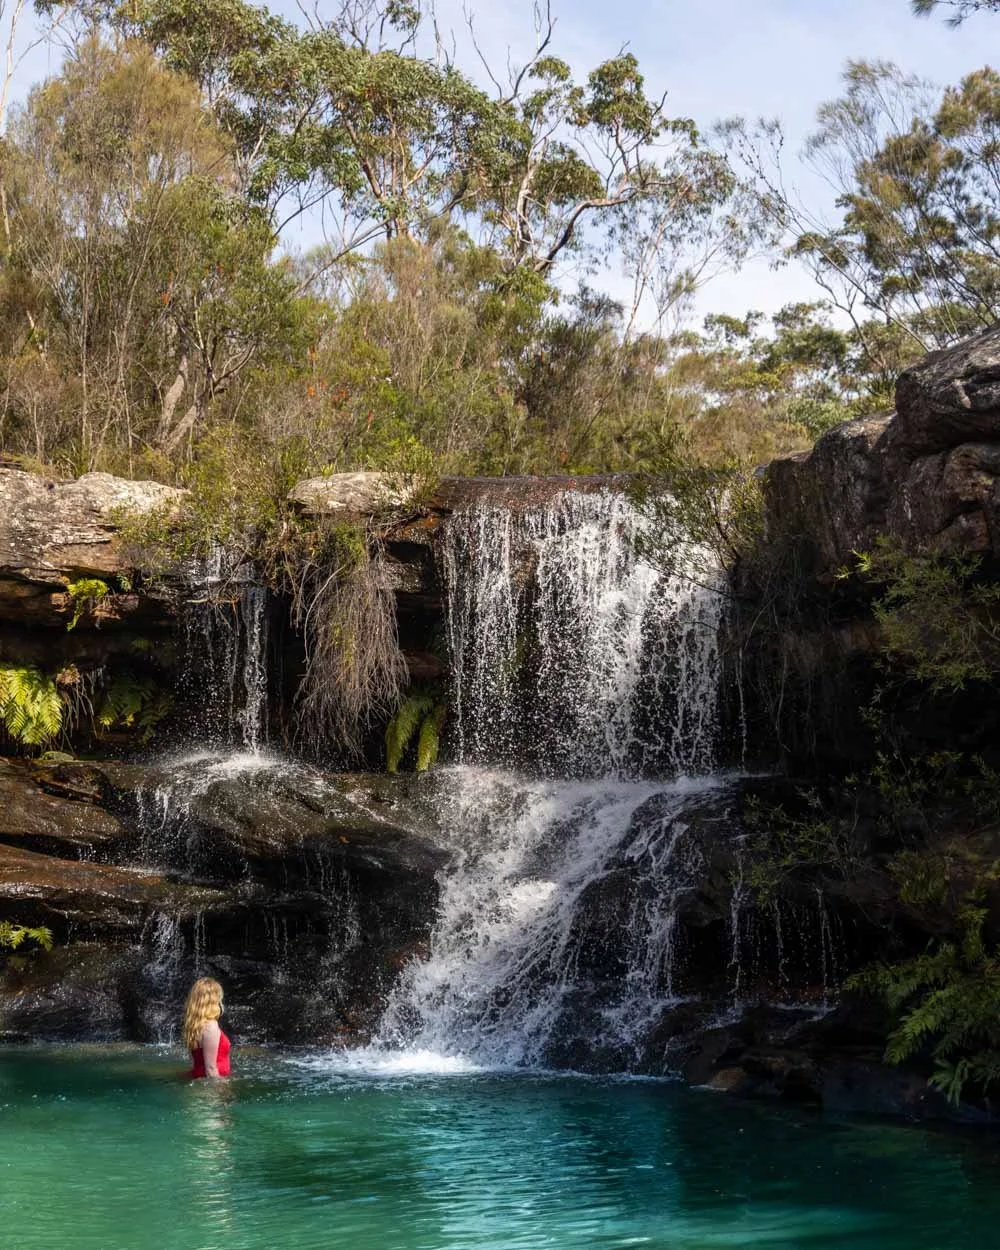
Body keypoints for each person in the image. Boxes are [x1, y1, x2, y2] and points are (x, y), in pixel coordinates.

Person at [183, 977, 231, 1079]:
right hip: (211, 1086)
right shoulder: (210, 1026)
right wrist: (222, 1091)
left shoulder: (195, 1026)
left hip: (199, 1079)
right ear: (212, 999)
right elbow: (210, 1068)